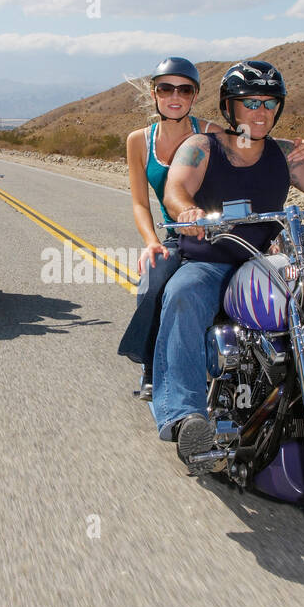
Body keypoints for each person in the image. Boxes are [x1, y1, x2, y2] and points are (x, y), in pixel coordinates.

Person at [151, 60, 304, 475]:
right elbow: (176, 186)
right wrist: (187, 209)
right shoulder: (203, 147)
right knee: (183, 296)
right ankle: (184, 415)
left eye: (267, 103)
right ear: (230, 107)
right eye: (249, 103)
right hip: (211, 260)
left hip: (266, 262)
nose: (259, 112)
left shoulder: (283, 155)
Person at [116, 58, 220, 399]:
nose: (175, 96)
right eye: (166, 88)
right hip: (178, 234)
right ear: (154, 93)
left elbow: (255, 152)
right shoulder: (138, 141)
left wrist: (297, 152)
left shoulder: (212, 133)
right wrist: (150, 241)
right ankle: (152, 367)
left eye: (184, 89)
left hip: (221, 231)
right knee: (153, 281)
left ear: (194, 95)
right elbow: (140, 203)